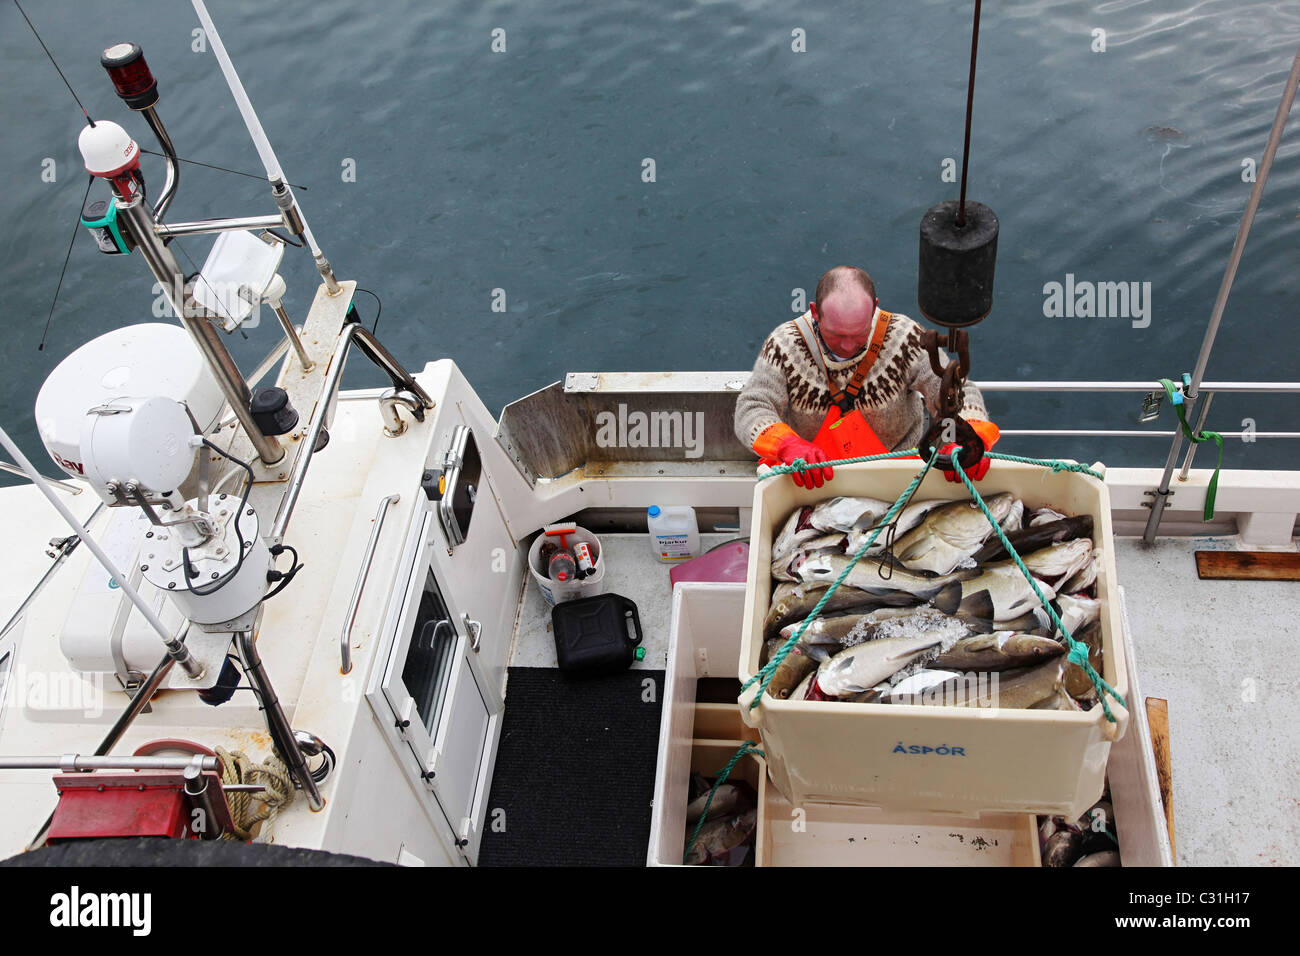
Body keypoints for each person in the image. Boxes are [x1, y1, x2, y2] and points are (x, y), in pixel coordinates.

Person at [734, 265, 999, 487]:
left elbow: (954, 390)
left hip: (898, 477)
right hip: (817, 478)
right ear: (815, 313)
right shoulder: (784, 344)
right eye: (837, 335)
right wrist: (787, 445)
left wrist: (968, 440)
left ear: (874, 309)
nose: (848, 346)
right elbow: (753, 407)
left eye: (859, 334)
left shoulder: (905, 336)